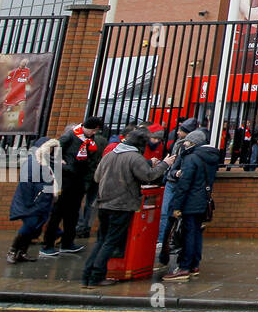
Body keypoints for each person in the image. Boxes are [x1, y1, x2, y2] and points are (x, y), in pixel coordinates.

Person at [82, 127, 173, 288]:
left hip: (103, 204)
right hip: (122, 205)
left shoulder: (110, 155)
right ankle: (96, 277)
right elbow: (149, 176)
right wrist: (165, 164)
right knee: (111, 242)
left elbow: (97, 177)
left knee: (101, 240)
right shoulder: (134, 157)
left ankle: (87, 276)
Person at [162, 130, 219, 281]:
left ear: (193, 143)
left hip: (190, 201)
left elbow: (184, 184)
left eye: (187, 141)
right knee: (196, 233)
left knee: (188, 233)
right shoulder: (210, 157)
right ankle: (194, 264)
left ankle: (184, 267)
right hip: (203, 200)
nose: (184, 144)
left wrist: (176, 206)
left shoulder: (191, 157)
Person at [41, 116, 103, 256]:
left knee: (73, 214)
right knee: (58, 213)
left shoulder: (88, 140)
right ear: (86, 127)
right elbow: (50, 154)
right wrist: (65, 166)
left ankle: (67, 243)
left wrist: (86, 179)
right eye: (93, 130)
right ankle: (47, 245)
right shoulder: (69, 136)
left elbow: (89, 161)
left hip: (78, 181)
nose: (94, 133)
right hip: (65, 180)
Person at [157, 121, 205, 268]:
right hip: (178, 186)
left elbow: (185, 180)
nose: (178, 132)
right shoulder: (183, 149)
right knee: (183, 225)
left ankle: (183, 262)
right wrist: (173, 172)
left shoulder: (192, 157)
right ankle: (185, 260)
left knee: (183, 227)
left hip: (183, 193)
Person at [7, 137, 59, 263]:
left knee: (34, 227)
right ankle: (13, 251)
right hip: (32, 201)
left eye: (53, 148)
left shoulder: (46, 162)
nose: (51, 151)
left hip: (41, 201)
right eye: (50, 148)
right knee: (29, 226)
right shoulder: (34, 161)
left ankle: (22, 252)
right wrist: (30, 201)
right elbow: (26, 182)